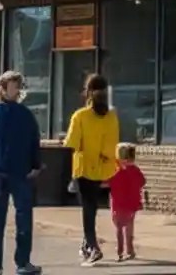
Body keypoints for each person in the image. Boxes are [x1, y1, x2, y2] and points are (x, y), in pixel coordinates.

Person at [0, 71, 43, 275]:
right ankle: (19, 263)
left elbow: (34, 141)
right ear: (2, 88)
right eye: (14, 87)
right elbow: (34, 141)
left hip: (4, 171)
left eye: (18, 86)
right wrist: (35, 165)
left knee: (1, 219)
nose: (17, 91)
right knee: (19, 217)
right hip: (14, 172)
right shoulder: (23, 114)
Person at [63, 74, 119, 267]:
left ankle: (93, 247)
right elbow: (113, 143)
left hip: (83, 167)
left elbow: (72, 143)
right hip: (102, 167)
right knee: (92, 205)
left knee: (88, 209)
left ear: (87, 92)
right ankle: (87, 245)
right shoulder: (111, 116)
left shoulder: (80, 116)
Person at [107, 143, 145, 262]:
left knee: (119, 226)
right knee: (129, 226)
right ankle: (130, 249)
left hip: (119, 202)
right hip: (132, 202)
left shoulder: (117, 171)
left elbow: (108, 182)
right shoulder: (135, 170)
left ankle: (119, 251)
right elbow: (143, 181)